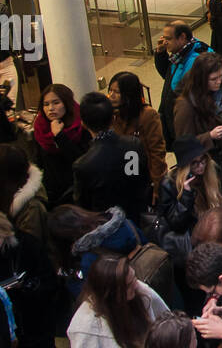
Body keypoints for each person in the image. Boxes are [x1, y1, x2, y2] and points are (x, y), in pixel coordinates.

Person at [173, 53, 222, 198]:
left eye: (221, 77)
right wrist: (210, 136)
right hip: (208, 168)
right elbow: (183, 144)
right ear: (201, 79)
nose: (219, 82)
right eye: (213, 79)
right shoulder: (186, 106)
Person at [72, 91, 152, 223]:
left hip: (106, 223)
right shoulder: (133, 145)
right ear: (113, 118)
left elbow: (84, 205)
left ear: (83, 124)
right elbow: (142, 180)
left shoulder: (83, 165)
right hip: (136, 216)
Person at [108, 70, 167, 201]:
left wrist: (157, 186)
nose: (111, 95)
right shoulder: (113, 115)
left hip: (145, 178)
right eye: (110, 91)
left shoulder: (147, 115)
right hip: (123, 178)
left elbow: (157, 152)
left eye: (117, 92)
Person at [31, 83, 90, 208]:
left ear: (66, 103)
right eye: (46, 104)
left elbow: (81, 161)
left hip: (78, 191)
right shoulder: (40, 127)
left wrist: (59, 136)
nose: (51, 108)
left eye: (56, 103)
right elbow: (38, 160)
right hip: (52, 192)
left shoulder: (81, 125)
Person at [154, 22, 211, 150]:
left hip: (188, 123)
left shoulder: (195, 59)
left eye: (168, 38)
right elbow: (168, 76)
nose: (164, 42)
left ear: (182, 37)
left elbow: (188, 95)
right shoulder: (180, 53)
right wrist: (160, 53)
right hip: (176, 118)